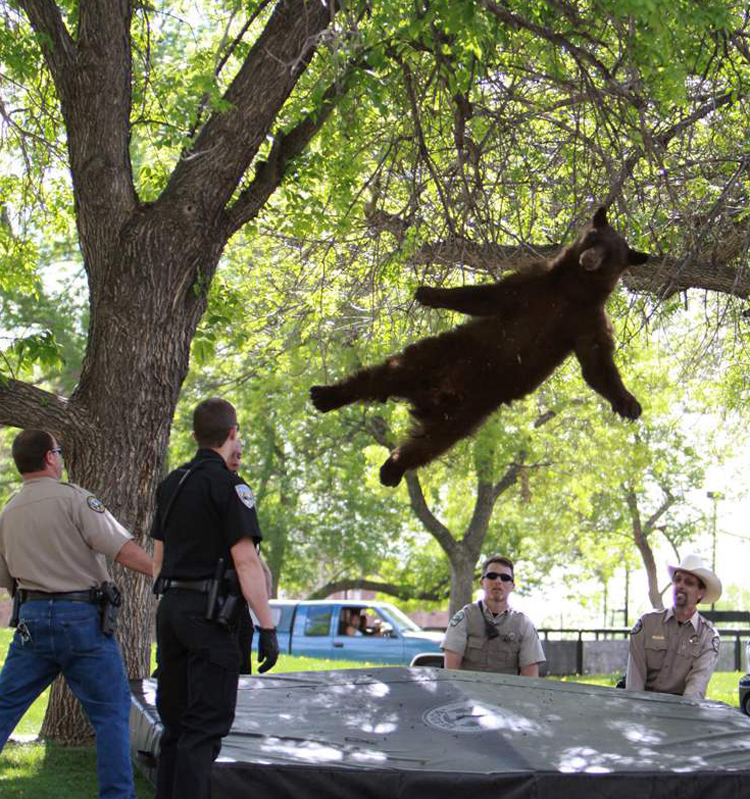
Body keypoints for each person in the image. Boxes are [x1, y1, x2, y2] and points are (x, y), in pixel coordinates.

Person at [0, 429, 154, 799]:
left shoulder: (8, 511)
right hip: (82, 618)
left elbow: (6, 579)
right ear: (50, 458)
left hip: (32, 620)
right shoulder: (76, 499)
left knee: (5, 706)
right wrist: (162, 573)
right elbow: (121, 549)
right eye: (60, 450)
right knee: (111, 715)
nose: (62, 456)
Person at [151, 398, 278, 799]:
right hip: (211, 618)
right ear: (233, 433)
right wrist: (267, 626)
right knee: (204, 729)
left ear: (195, 436)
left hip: (171, 610)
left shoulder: (172, 483)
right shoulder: (231, 487)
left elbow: (158, 560)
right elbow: (246, 563)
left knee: (175, 725)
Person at [626, 554, 722, 699]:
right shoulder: (647, 623)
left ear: (700, 593)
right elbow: (635, 682)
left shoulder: (708, 637)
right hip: (642, 708)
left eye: (688, 582)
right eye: (677, 580)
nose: (680, 585)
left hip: (681, 713)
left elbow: (695, 690)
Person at [442, 555, 545, 675]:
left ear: (512, 586)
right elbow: (450, 673)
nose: (498, 581)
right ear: (482, 582)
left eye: (505, 578)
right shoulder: (465, 617)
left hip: (507, 693)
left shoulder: (524, 624)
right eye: (492, 576)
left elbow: (530, 680)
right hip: (467, 692)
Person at [226, 440, 274, 674]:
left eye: (240, 455)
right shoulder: (234, 489)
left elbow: (249, 555)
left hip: (233, 604)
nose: (236, 459)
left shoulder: (180, 482)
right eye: (232, 453)